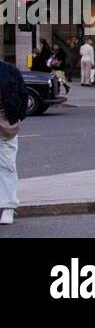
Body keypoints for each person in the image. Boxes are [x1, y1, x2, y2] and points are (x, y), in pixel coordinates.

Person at [0, 57, 26, 225]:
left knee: (7, 165)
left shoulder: (9, 70)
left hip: (4, 122)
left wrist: (18, 116)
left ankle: (8, 206)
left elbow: (23, 94)